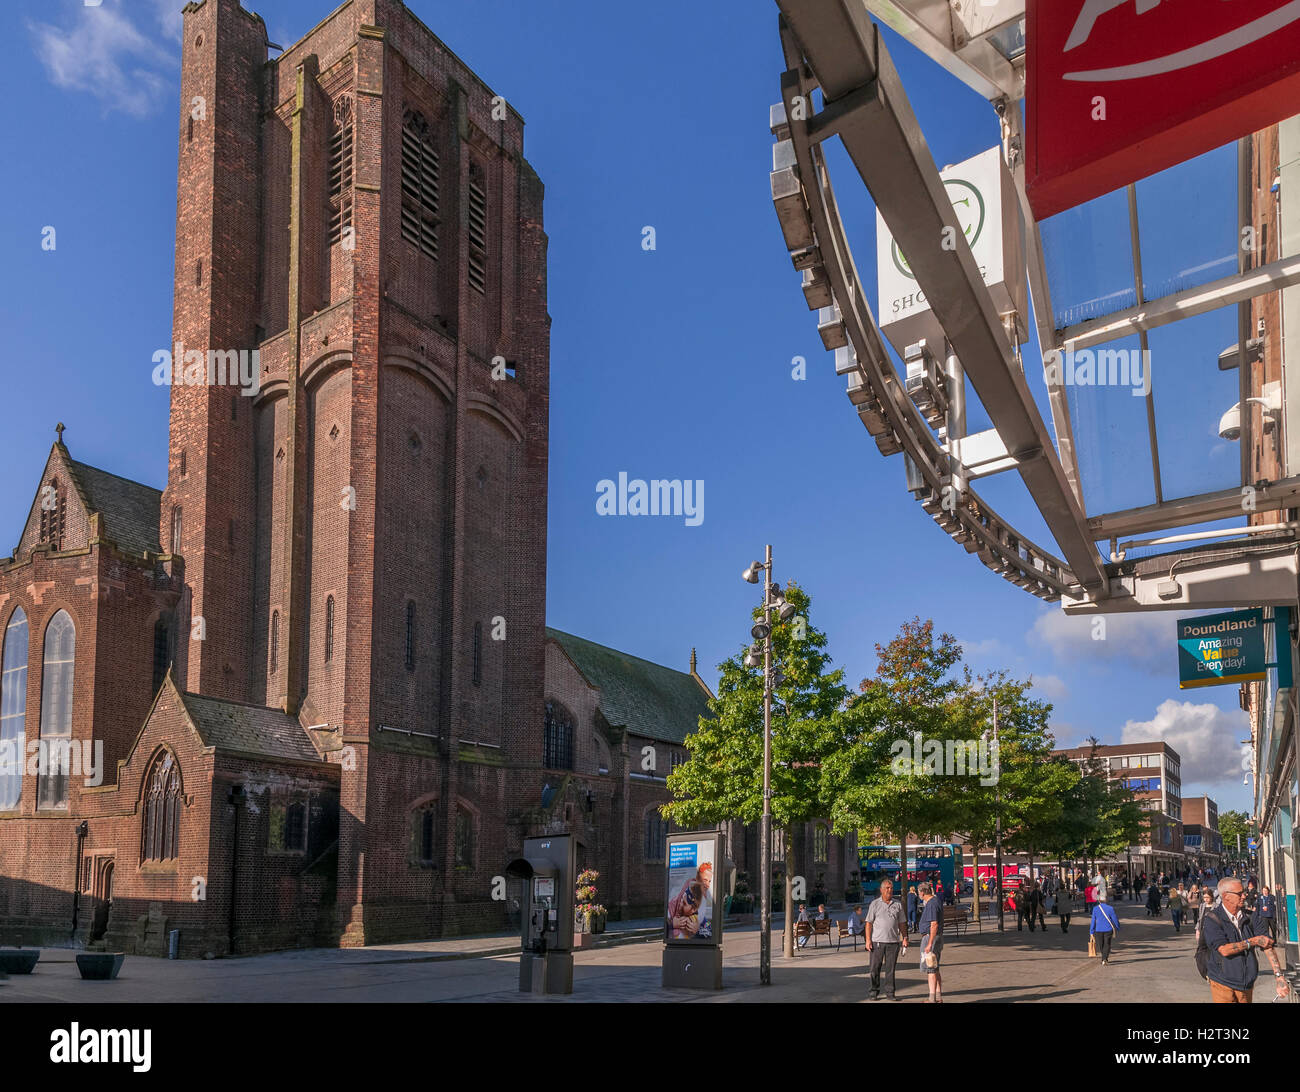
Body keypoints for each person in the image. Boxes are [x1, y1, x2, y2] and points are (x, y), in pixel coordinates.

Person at [1201, 878, 1289, 1003]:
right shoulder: (1212, 919)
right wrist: (1253, 941)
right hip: (1222, 983)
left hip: (1246, 983)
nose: (1244, 896)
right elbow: (1224, 950)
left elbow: (1266, 945)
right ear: (1226, 896)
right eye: (1240, 893)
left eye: (1244, 892)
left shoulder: (1251, 916)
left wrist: (1279, 976)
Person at [864, 879, 908, 1001]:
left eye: (891, 888)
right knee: (874, 968)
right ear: (881, 890)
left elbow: (902, 923)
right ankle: (874, 992)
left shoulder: (898, 904)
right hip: (877, 942)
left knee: (890, 969)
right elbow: (868, 923)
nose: (890, 890)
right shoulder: (874, 904)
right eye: (887, 888)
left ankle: (890, 993)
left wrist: (905, 937)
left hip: (893, 942)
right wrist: (868, 940)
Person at [917, 881, 944, 1002]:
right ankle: (938, 996)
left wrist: (929, 943)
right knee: (935, 967)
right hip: (935, 937)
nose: (919, 894)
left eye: (919, 892)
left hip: (930, 937)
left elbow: (934, 924)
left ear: (922, 892)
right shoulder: (936, 900)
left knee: (930, 968)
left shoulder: (931, 904)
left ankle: (932, 998)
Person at [1090, 893, 1120, 965]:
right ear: (1106, 900)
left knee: (1101, 944)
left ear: (1099, 900)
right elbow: (1115, 919)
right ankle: (1104, 959)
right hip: (1108, 929)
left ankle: (1104, 959)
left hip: (1099, 929)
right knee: (1107, 944)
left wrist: (1091, 931)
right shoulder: (1110, 908)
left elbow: (1093, 920)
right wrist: (1118, 927)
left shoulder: (1095, 909)